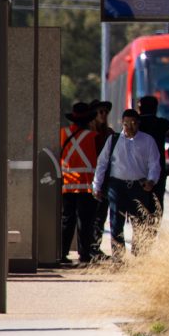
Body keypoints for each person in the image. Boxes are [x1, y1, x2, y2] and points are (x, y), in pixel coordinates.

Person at [93, 109, 161, 257]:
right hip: (116, 187)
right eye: (126, 124)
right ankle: (118, 257)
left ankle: (139, 255)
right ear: (121, 123)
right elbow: (102, 163)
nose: (129, 127)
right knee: (116, 222)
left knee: (140, 222)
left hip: (139, 187)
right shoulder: (113, 140)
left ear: (139, 123)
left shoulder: (148, 141)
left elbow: (154, 164)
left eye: (133, 123)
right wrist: (97, 186)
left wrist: (151, 181)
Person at [59, 102, 100, 265]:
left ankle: (62, 253)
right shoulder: (93, 136)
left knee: (67, 220)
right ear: (88, 120)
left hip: (67, 184)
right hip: (86, 185)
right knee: (85, 221)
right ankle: (84, 254)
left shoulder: (62, 133)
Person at [138, 95, 169, 227]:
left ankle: (140, 235)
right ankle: (152, 234)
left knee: (139, 207)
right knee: (156, 206)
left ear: (140, 108)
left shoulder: (135, 124)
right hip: (158, 173)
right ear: (155, 108)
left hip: (138, 173)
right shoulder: (162, 123)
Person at [88, 100, 114, 261]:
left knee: (101, 215)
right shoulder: (88, 133)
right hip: (88, 179)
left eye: (106, 112)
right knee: (90, 215)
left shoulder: (110, 133)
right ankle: (89, 248)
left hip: (105, 181)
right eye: (100, 112)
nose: (104, 114)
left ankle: (95, 247)